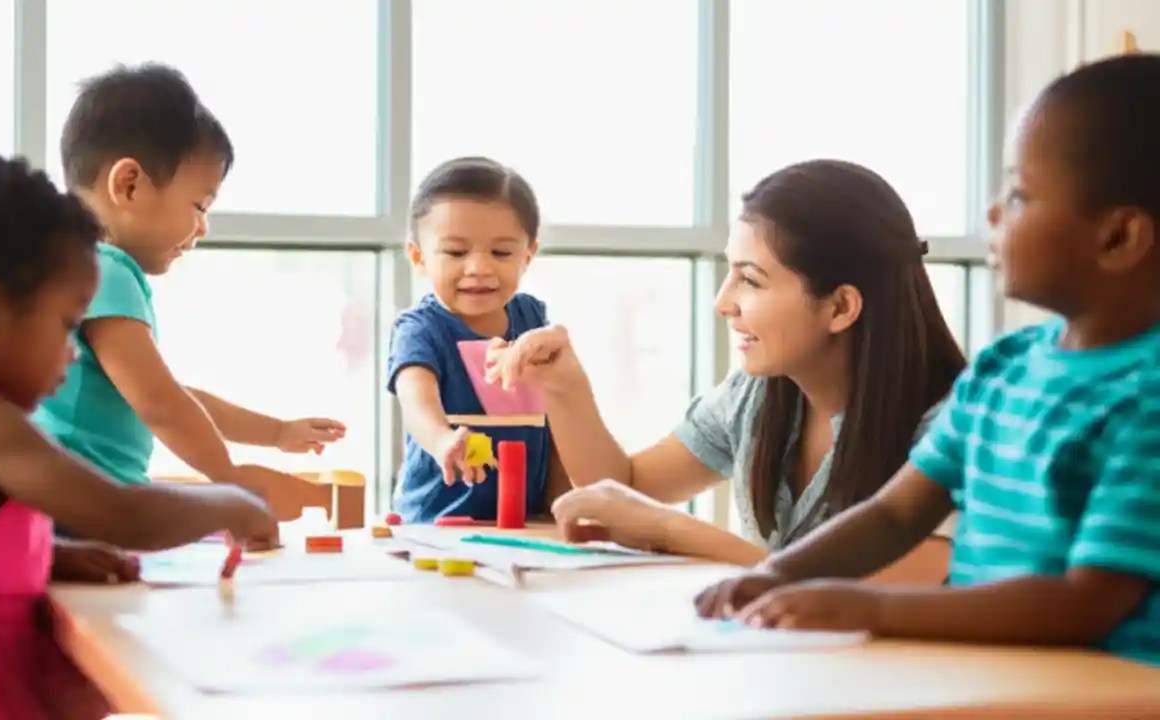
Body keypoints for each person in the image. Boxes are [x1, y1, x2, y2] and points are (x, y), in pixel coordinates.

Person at [692, 54, 1160, 665]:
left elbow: (1087, 603)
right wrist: (779, 573)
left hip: (1104, 692)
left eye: (1019, 197)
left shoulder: (1147, 398)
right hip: (991, 678)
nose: (993, 214)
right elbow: (892, 513)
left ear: (1118, 237)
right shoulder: (1002, 371)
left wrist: (873, 609)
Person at [0, 133, 277, 719]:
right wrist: (233, 502)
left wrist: (49, 553)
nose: (73, 353)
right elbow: (125, 513)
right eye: (67, 325)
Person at [486, 159, 965, 569]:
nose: (722, 303)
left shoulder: (953, 426)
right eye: (728, 274)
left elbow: (871, 593)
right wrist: (565, 387)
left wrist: (669, 530)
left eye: (750, 281)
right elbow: (627, 489)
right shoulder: (756, 398)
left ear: (840, 307)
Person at [33, 63, 345, 528]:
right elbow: (161, 405)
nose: (203, 227)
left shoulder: (65, 264)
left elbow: (173, 397)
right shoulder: (107, 270)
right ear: (129, 184)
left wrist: (276, 433)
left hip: (66, 503)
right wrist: (230, 481)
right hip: (82, 508)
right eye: (200, 205)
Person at [387, 156, 569, 523]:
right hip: (437, 521)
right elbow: (416, 398)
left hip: (525, 522)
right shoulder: (421, 328)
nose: (479, 268)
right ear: (418, 257)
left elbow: (556, 413)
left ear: (528, 255)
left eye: (501, 252)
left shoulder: (532, 319)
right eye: (456, 253)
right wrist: (442, 441)